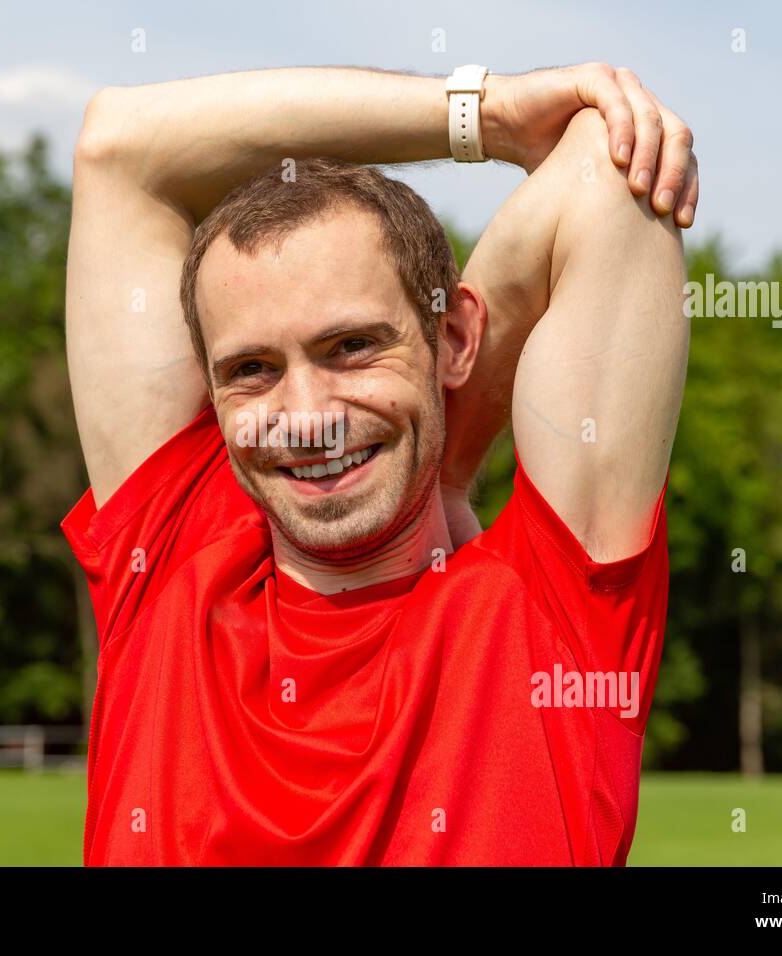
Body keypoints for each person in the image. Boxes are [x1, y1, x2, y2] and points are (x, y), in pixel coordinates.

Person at [63, 64, 696, 865]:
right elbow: (119, 146)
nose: (306, 415)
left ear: (456, 337)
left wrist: (442, 449)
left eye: (353, 346)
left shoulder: (545, 615)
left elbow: (607, 169)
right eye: (251, 368)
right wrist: (484, 114)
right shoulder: (166, 559)